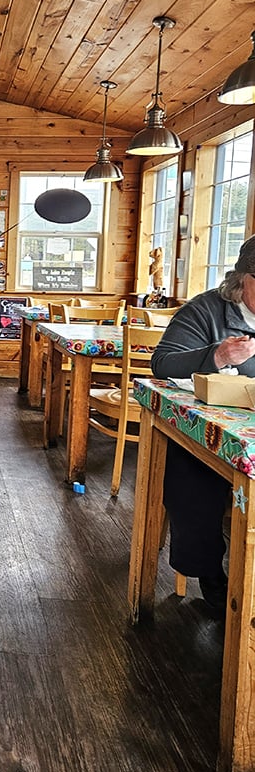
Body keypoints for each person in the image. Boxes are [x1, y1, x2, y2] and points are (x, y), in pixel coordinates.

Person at [151, 235, 255, 614]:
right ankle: (210, 571)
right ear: (241, 280)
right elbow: (162, 363)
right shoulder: (206, 310)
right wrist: (217, 355)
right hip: (208, 433)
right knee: (194, 470)